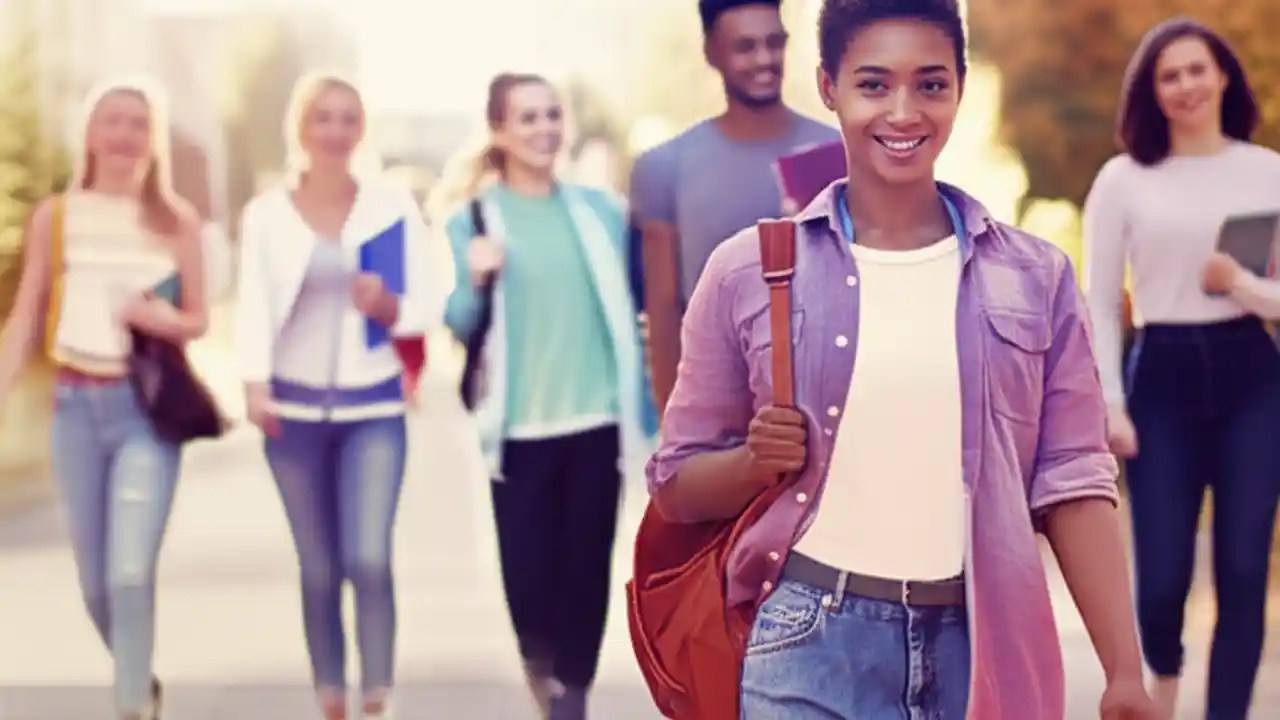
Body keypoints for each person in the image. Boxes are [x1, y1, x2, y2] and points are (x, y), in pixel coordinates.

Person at [648, 0, 1158, 717]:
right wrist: (750, 464)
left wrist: (1124, 668)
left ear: (959, 85)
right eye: (873, 84)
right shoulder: (750, 271)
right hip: (806, 646)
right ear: (828, 87)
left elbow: (1072, 479)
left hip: (982, 650)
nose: (903, 111)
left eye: (930, 84)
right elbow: (675, 482)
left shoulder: (1036, 277)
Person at [438, 72, 654, 720]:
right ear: (499, 131)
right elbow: (458, 322)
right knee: (528, 588)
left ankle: (573, 698)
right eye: (527, 118)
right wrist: (475, 281)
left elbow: (644, 298)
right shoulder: (473, 219)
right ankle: (543, 673)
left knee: (587, 578)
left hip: (597, 422)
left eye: (551, 115)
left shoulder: (602, 212)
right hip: (520, 432)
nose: (543, 130)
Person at [1083, 17, 1280, 720]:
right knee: (1163, 577)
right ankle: (1161, 689)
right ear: (1153, 92)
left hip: (1253, 376)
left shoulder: (1267, 171)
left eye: (1198, 69)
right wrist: (1111, 402)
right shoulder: (1124, 179)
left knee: (1243, 568)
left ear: (1224, 74)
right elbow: (1100, 301)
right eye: (1170, 75)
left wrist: (1244, 286)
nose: (1187, 85)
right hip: (1161, 376)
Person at [235, 72, 441, 720]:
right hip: (292, 413)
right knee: (320, 566)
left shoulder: (391, 206)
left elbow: (430, 297)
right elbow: (252, 304)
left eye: (347, 118)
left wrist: (392, 305)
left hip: (374, 406)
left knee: (369, 557)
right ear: (302, 127)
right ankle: (331, 692)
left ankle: (376, 694)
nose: (335, 130)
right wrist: (252, 380)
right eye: (322, 117)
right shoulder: (267, 214)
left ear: (361, 129)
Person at [0, 78, 207, 720]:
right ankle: (137, 677)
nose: (123, 135)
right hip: (73, 412)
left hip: (143, 414)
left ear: (153, 141)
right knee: (95, 584)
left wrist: (159, 319)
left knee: (129, 572)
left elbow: (197, 318)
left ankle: (130, 706)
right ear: (90, 135)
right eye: (111, 122)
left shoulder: (177, 223)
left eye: (138, 124)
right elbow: (27, 315)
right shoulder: (56, 218)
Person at [629, 0, 839, 415]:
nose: (764, 59)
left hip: (824, 397)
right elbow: (664, 308)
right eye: (745, 47)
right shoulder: (665, 167)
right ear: (711, 52)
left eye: (773, 43)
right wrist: (677, 433)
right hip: (719, 407)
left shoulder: (837, 154)